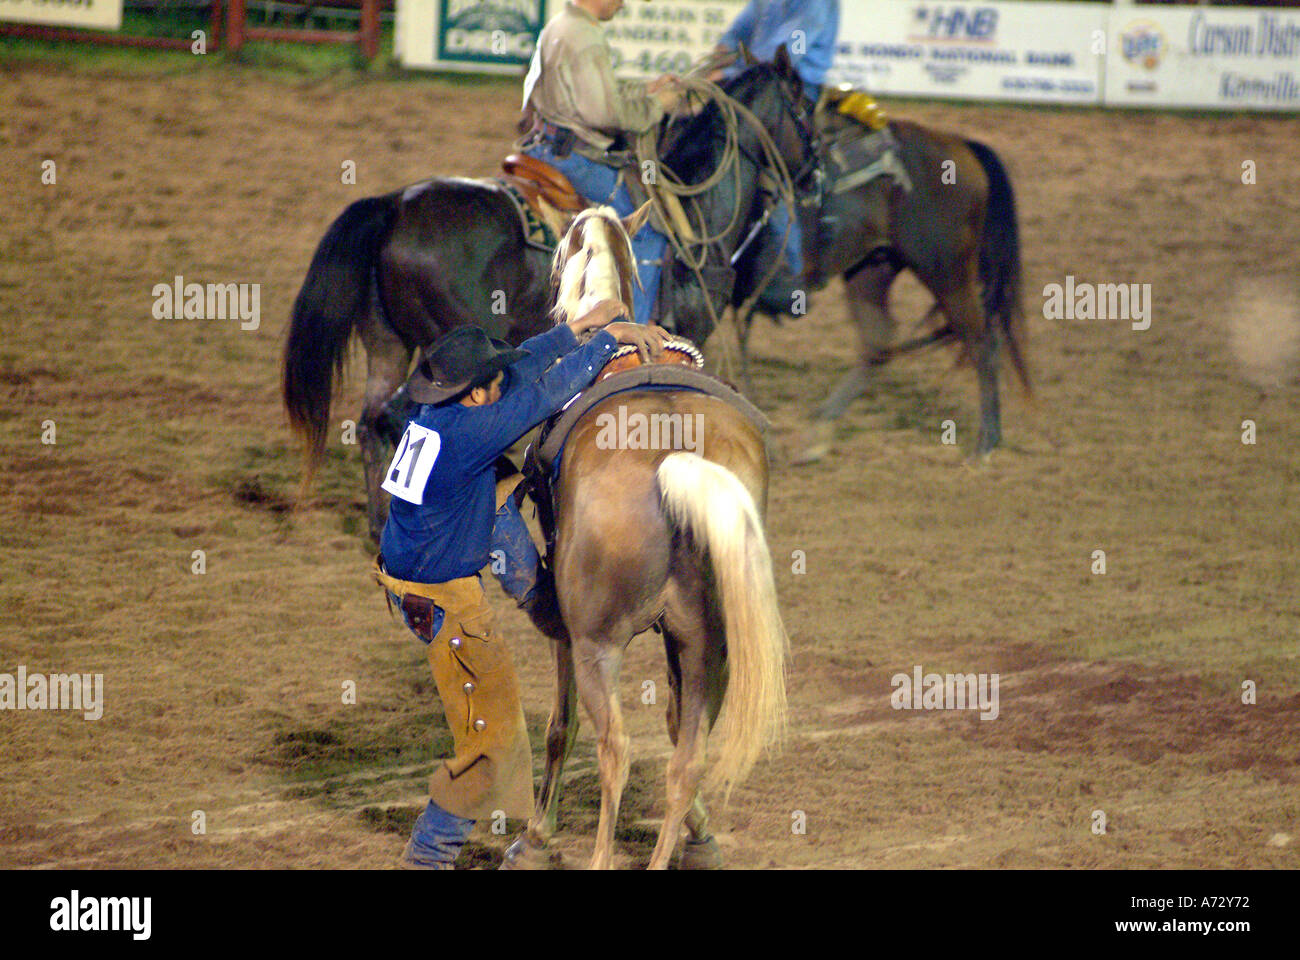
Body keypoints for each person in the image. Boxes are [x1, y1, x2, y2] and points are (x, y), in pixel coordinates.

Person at [374, 302, 671, 868]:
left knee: (502, 484)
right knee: (495, 736)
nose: (498, 386)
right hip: (445, 605)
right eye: (491, 383)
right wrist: (608, 343)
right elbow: (539, 394)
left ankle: (539, 598)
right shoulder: (470, 433)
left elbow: (518, 372)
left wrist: (573, 330)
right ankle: (428, 857)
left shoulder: (431, 417)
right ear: (474, 394)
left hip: (411, 574)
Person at [519, 0, 681, 325]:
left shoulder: (560, 24)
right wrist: (656, 105)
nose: (622, 4)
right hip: (574, 158)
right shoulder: (586, 36)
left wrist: (644, 90)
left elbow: (589, 95)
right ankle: (632, 330)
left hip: (541, 145)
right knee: (650, 231)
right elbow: (604, 115)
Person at [711, 1, 841, 306]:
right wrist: (721, 56)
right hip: (757, 80)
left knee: (771, 165)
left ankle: (785, 271)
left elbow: (785, 54)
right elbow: (737, 34)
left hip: (795, 89)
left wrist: (730, 71)